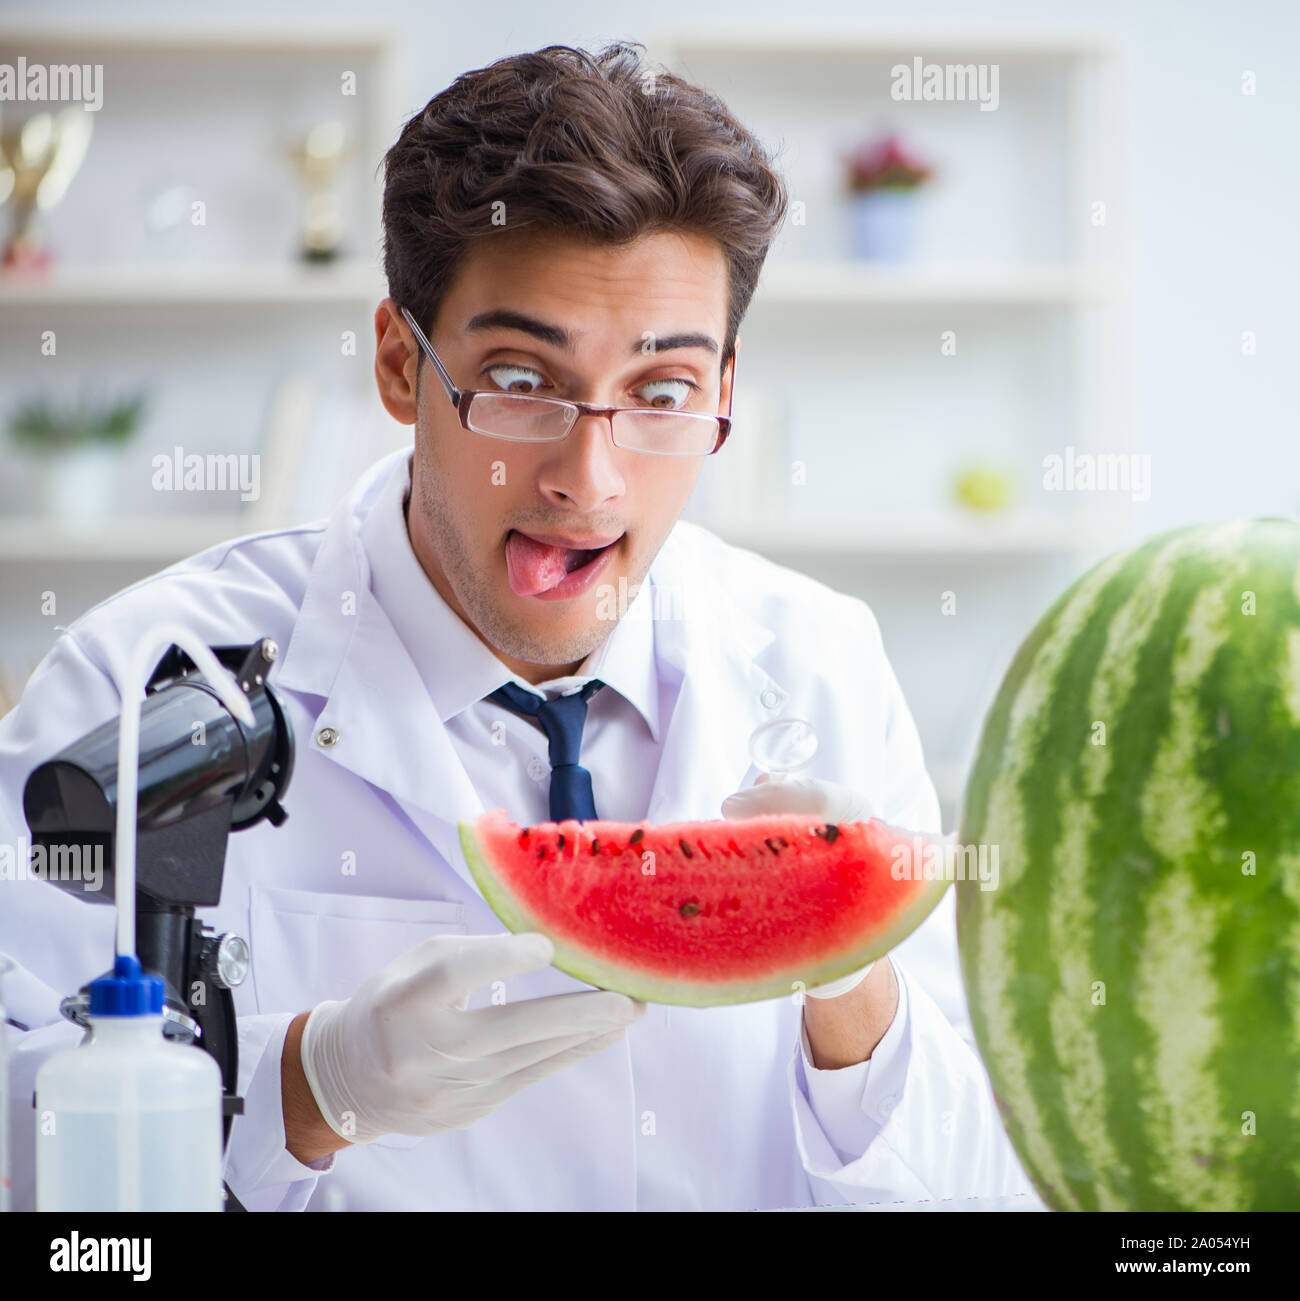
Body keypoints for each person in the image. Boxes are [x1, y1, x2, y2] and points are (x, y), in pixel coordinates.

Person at [0, 41, 1033, 1211]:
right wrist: (301, 1084)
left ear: (726, 395)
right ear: (400, 362)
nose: (587, 481)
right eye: (522, 380)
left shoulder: (821, 659)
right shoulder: (144, 677)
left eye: (659, 394)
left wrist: (852, 995)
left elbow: (982, 1185)